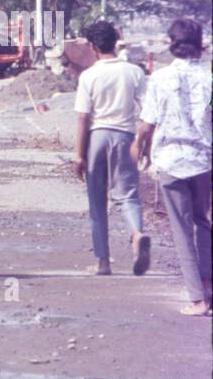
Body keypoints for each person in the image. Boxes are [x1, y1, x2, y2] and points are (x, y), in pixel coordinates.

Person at [132, 18, 212, 315]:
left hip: (171, 160)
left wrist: (140, 149)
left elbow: (148, 123)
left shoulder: (160, 79)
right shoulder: (210, 78)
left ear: (172, 44)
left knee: (181, 230)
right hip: (203, 159)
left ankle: (197, 299)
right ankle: (207, 284)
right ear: (199, 45)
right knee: (203, 221)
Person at [74, 20, 148, 276]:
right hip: (126, 137)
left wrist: (79, 155)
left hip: (97, 137)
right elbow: (147, 111)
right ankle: (137, 234)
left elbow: (83, 117)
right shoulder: (133, 72)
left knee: (97, 200)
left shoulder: (89, 75)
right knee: (128, 194)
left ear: (93, 47)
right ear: (115, 43)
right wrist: (143, 142)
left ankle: (103, 262)